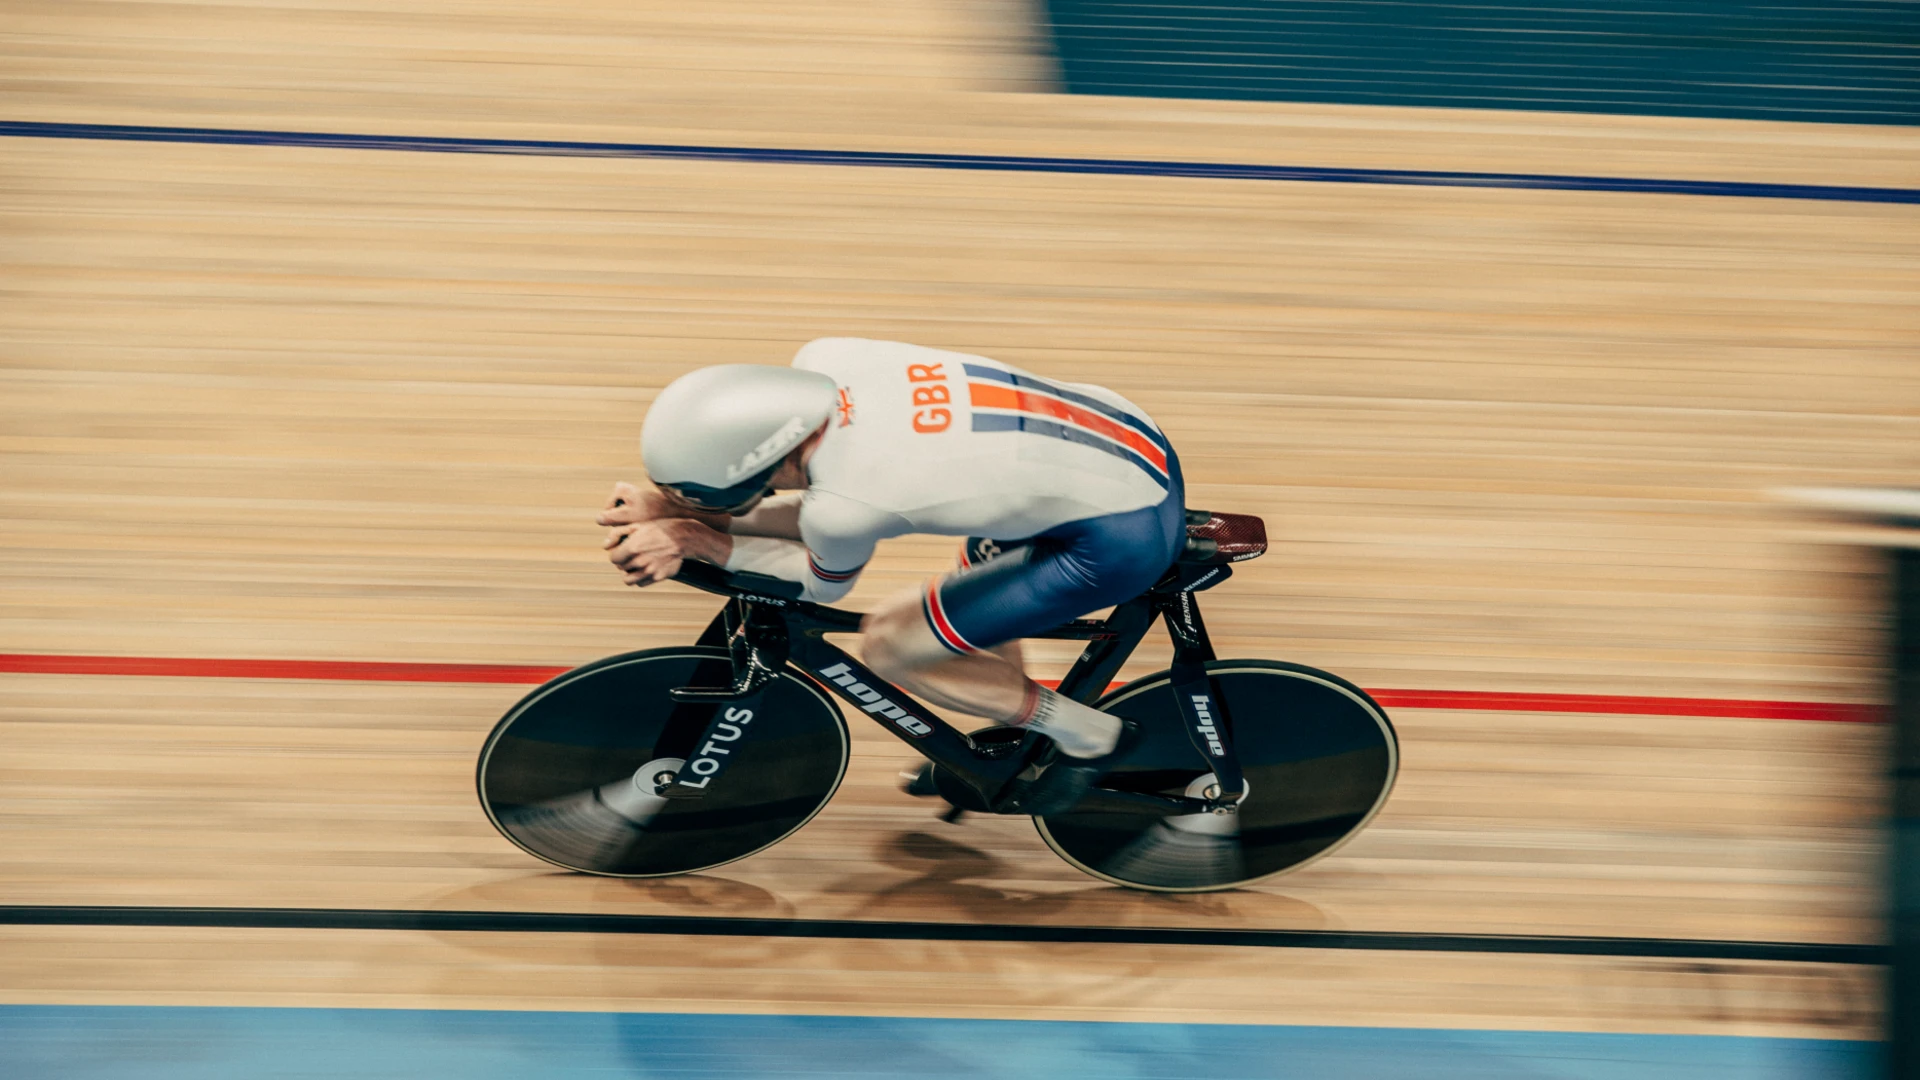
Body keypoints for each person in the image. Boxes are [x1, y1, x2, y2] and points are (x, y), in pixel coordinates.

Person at [597, 338, 1186, 812]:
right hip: (1120, 433)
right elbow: (807, 503)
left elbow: (819, 578)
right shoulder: (830, 356)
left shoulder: (847, 504)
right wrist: (674, 507)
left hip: (1115, 539)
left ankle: (1091, 736)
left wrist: (694, 536)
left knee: (890, 644)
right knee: (969, 604)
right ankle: (1009, 741)